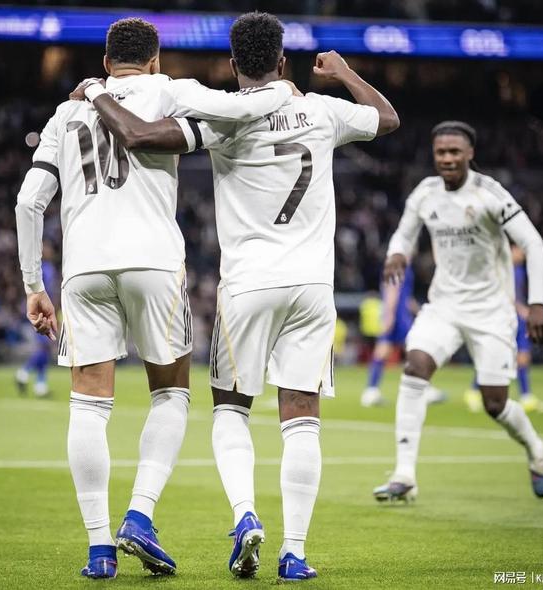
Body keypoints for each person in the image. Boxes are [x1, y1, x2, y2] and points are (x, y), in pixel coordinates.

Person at [73, 12, 398, 580]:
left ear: (231, 65)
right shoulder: (322, 111)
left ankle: (245, 514)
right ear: (283, 61)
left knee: (229, 409)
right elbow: (387, 118)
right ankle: (294, 552)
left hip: (246, 285)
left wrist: (99, 94)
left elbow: (147, 136)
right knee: (302, 419)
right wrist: (345, 73)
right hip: (313, 287)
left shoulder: (223, 119)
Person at [15, 17, 293, 580]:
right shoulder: (167, 89)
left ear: (105, 63)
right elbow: (240, 109)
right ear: (155, 59)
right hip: (154, 263)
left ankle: (99, 549)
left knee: (88, 406)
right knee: (170, 393)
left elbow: (28, 202)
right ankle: (139, 514)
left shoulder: (65, 114)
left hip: (83, 268)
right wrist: (284, 90)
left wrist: (33, 286)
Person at [373, 121, 543, 504]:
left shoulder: (490, 194)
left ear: (470, 153)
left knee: (495, 403)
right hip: (445, 305)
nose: (448, 158)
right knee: (415, 366)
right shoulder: (426, 193)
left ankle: (535, 448)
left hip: (491, 311)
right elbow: (404, 233)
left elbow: (533, 244)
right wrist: (397, 253)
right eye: (441, 152)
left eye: (455, 151)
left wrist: (537, 303)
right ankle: (404, 474)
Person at [464, 244, 543, 413]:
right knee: (494, 355)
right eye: (519, 250)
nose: (523, 254)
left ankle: (526, 396)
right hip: (503, 317)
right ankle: (474, 391)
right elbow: (501, 294)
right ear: (510, 249)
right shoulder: (500, 268)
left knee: (523, 357)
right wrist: (522, 309)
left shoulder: (519, 269)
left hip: (517, 318)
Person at [360, 265, 447, 407]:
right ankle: (425, 389)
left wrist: (417, 310)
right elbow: (392, 289)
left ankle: (371, 390)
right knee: (416, 350)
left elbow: (404, 295)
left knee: (385, 351)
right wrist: (389, 315)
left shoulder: (400, 265)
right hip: (399, 317)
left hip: (398, 315)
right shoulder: (399, 264)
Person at [15, 241, 58, 397]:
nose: (49, 251)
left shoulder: (48, 268)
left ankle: (40, 385)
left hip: (45, 310)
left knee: (44, 350)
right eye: (45, 249)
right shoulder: (40, 268)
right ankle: (24, 372)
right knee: (43, 348)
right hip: (40, 311)